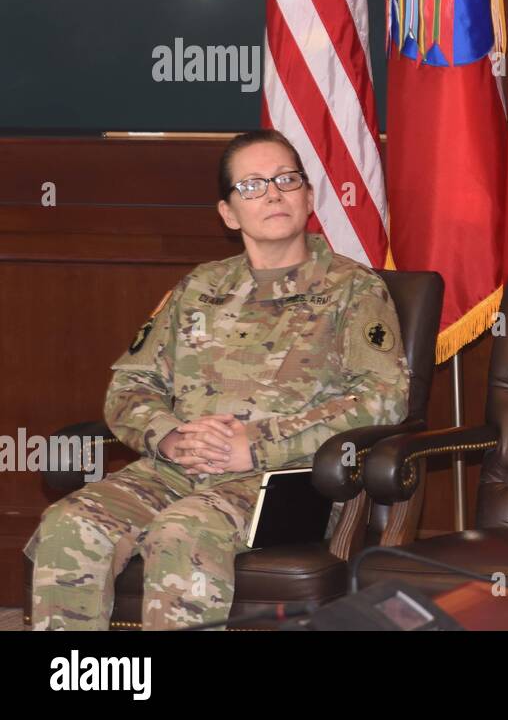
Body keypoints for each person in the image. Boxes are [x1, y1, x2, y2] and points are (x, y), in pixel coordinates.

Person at [24, 129, 410, 630]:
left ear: (309, 198)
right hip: (175, 469)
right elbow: (128, 387)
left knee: (182, 532)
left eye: (286, 180)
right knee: (69, 524)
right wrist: (171, 435)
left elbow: (383, 400)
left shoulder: (354, 289)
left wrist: (257, 444)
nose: (273, 193)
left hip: (287, 481)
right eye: (252, 185)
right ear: (229, 213)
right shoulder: (200, 286)